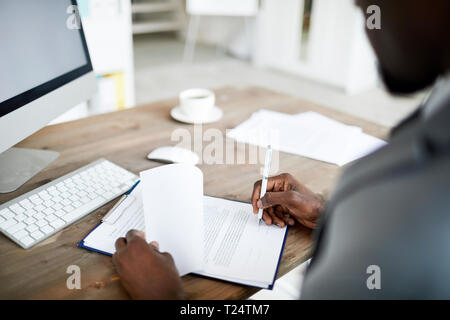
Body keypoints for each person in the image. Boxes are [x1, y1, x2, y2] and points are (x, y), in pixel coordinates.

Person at [112, 0, 450, 299]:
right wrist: (322, 213)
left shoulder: (421, 203)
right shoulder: (437, 110)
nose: (361, 7)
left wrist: (167, 297)